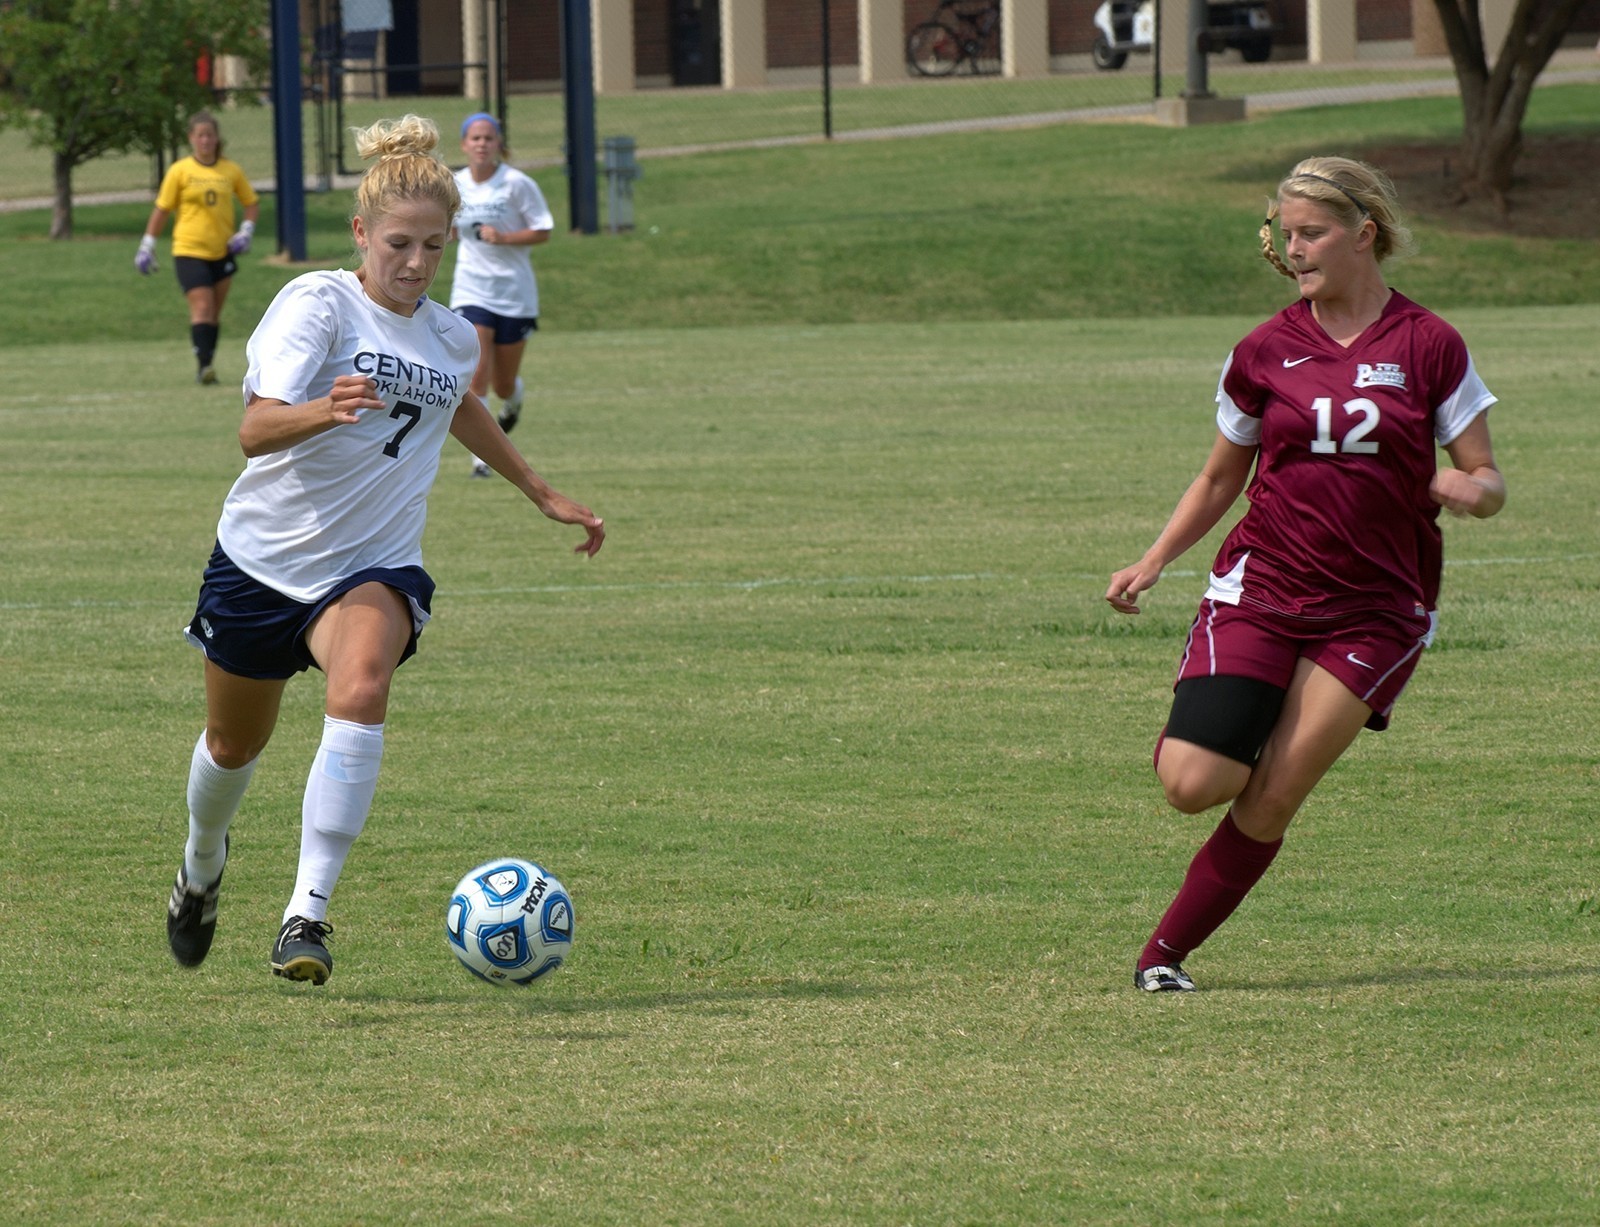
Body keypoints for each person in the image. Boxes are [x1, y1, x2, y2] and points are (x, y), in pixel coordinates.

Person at [164, 114, 605, 985]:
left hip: (373, 563)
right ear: (362, 233)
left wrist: (540, 489)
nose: (414, 262)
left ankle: (306, 915)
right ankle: (202, 863)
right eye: (399, 242)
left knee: (361, 685)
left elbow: (459, 402)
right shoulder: (317, 304)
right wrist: (324, 407)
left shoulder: (445, 334)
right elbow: (253, 430)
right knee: (231, 746)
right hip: (261, 563)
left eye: (433, 247)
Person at [1105, 156, 1506, 993]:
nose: (1296, 249)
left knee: (1275, 793)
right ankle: (1233, 708)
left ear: (1364, 234)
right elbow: (1221, 477)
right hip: (1264, 585)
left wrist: (1471, 489)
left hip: (1375, 608)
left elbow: (1487, 475)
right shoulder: (1263, 349)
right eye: (1286, 234)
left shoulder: (1430, 342)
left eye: (1313, 233)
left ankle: (1162, 958)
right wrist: (1152, 558)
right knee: (1192, 782)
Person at [448, 111, 554, 477]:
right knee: (476, 375)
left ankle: (513, 401)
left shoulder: (517, 184)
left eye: (488, 138)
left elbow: (543, 230)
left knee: (503, 382)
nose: (481, 144)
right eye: (475, 138)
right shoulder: (454, 184)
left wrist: (505, 237)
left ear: (498, 145)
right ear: (463, 144)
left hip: (514, 293)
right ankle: (481, 457)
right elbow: (448, 230)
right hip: (471, 289)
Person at [134, 110, 260, 385]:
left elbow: (251, 203)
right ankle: (204, 367)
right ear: (191, 139)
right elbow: (162, 209)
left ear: (217, 139)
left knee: (214, 312)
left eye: (210, 135)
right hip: (189, 250)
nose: (205, 141)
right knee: (202, 307)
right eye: (200, 135)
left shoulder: (230, 170)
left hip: (222, 251)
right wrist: (147, 245)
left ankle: (208, 361)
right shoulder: (180, 171)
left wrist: (245, 232)